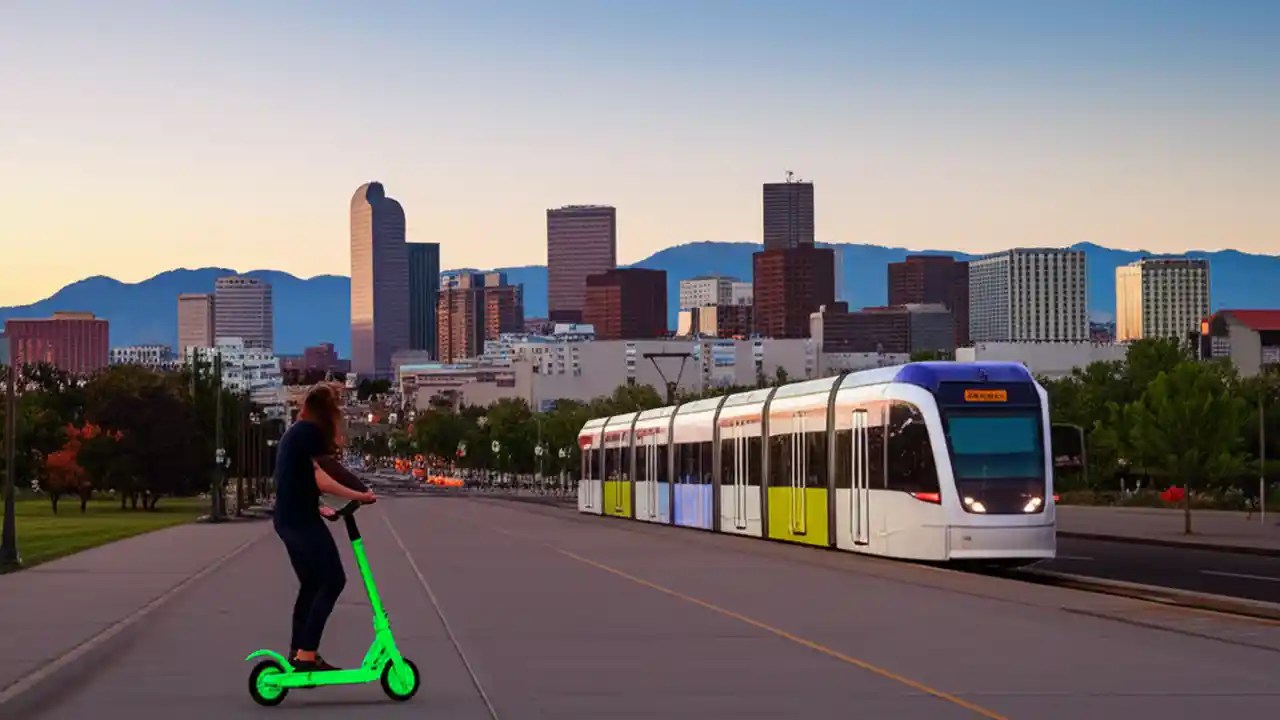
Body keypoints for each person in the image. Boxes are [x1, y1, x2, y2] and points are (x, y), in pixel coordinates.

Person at [272, 382, 375, 671]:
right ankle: (306, 654)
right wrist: (361, 494)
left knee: (312, 584)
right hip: (299, 521)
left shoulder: (297, 434)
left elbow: (297, 479)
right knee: (333, 581)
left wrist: (324, 507)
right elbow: (324, 475)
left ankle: (298, 652)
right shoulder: (309, 433)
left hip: (289, 518)